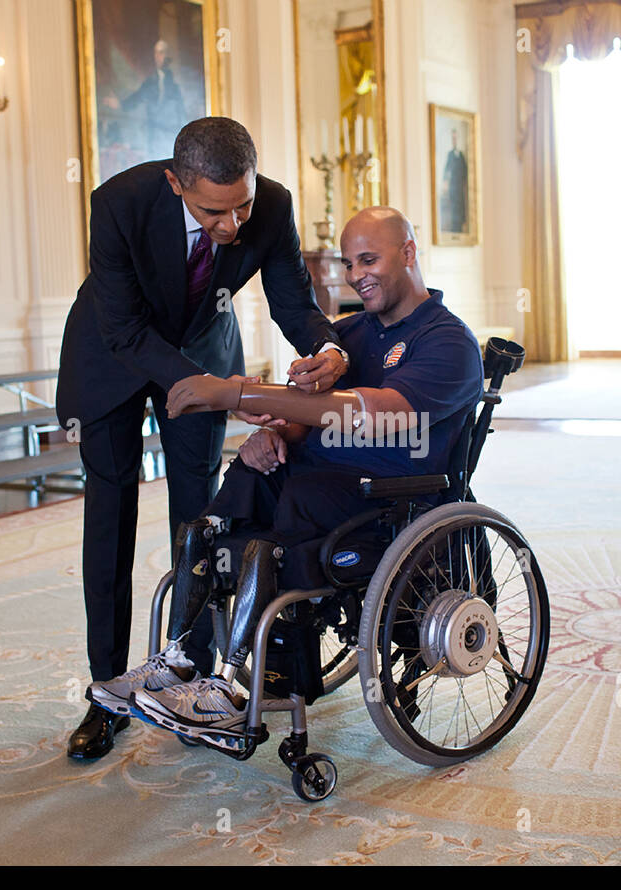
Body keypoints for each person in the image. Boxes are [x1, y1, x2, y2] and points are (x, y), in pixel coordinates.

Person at [87, 206, 483, 737]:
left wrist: (235, 391)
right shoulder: (347, 336)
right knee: (228, 504)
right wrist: (273, 434)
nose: (356, 275)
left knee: (294, 504)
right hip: (316, 479)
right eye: (348, 264)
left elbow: (373, 412)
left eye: (369, 259)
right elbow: (303, 416)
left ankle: (227, 687)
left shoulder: (449, 342)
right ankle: (179, 657)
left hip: (387, 496)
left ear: (408, 253)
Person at [56, 117, 350, 759]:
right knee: (111, 516)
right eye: (214, 211)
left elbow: (292, 302)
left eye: (242, 204)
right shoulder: (117, 205)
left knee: (201, 516)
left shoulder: (271, 204)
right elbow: (127, 331)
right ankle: (106, 693)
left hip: (203, 348)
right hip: (112, 358)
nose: (233, 226)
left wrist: (329, 347)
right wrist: (229, 392)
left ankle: (188, 679)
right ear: (174, 183)